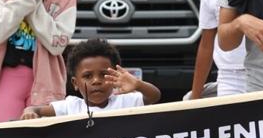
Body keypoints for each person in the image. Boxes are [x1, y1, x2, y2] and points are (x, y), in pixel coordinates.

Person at [21, 38, 160, 118]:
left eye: (103, 74)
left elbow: (154, 96)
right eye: (87, 76)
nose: (96, 81)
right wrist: (30, 111)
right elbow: (37, 110)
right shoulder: (71, 106)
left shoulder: (125, 101)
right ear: (75, 83)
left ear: (115, 77)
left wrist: (138, 84)